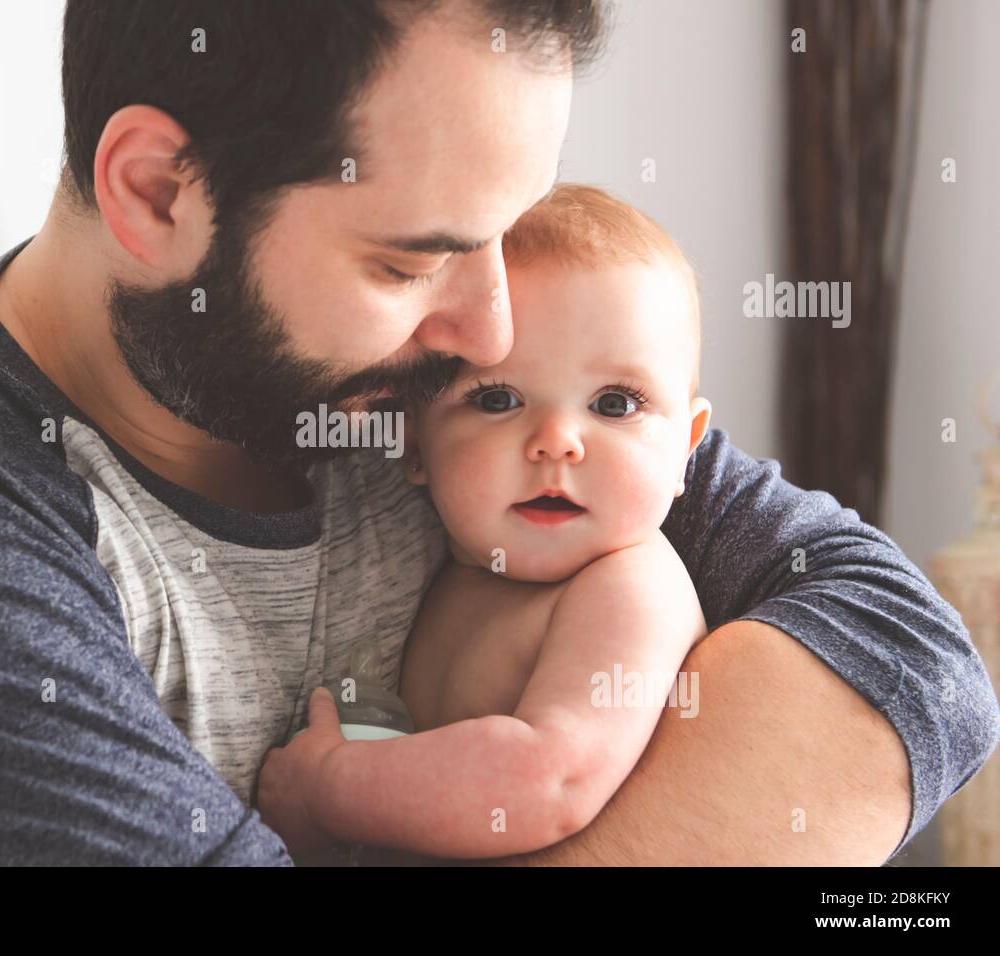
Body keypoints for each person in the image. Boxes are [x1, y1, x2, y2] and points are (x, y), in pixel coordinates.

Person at [0, 0, 996, 866]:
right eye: (410, 260)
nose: (494, 329)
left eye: (509, 232)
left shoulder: (447, 386)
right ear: (155, 192)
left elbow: (904, 654)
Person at [256, 184, 713, 858]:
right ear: (412, 445)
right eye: (498, 398)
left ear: (686, 448)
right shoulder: (445, 561)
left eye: (615, 404)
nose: (558, 441)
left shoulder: (630, 589)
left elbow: (548, 779)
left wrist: (332, 782)